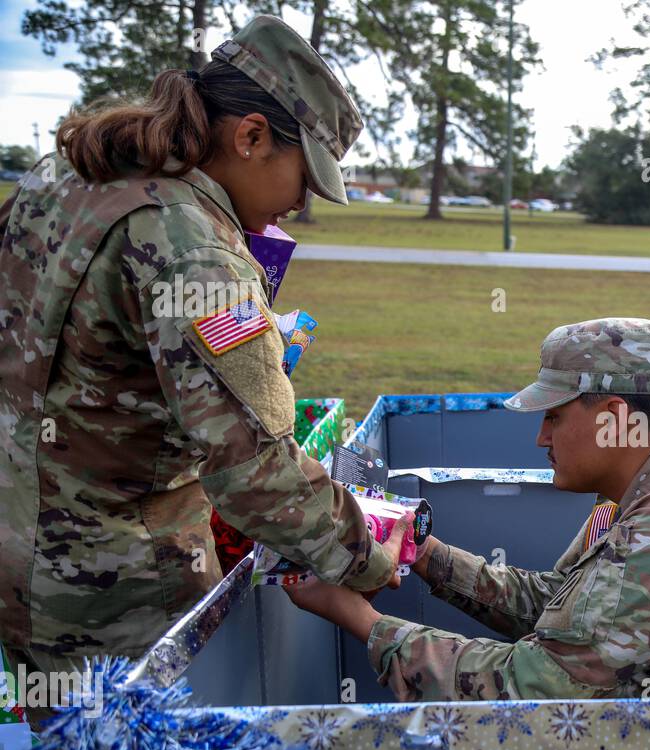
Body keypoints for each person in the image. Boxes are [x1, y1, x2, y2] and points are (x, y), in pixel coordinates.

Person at [0, 15, 401, 674]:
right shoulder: (196, 252)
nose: (300, 203)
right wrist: (370, 558)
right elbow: (256, 476)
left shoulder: (64, 178)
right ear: (250, 136)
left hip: (22, 554)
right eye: (305, 177)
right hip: (125, 593)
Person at [285, 318, 650, 701]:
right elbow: (555, 610)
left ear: (613, 415)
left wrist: (358, 618)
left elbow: (531, 689)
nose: (541, 439)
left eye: (553, 415)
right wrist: (423, 551)